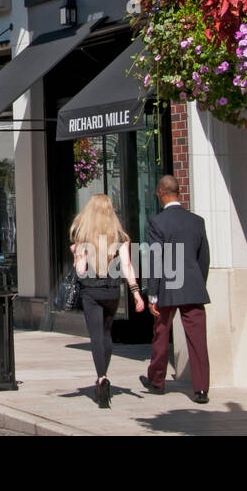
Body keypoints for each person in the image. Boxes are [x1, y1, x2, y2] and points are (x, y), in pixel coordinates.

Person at [140, 174, 212, 403]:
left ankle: (158, 381)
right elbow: (204, 258)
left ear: (161, 193)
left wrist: (152, 293)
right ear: (178, 192)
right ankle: (201, 389)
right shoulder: (197, 221)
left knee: (161, 334)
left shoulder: (157, 223)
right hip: (192, 285)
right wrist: (199, 281)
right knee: (198, 339)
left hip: (167, 286)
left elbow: (155, 260)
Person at [69, 195, 144, 408]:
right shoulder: (119, 236)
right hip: (111, 292)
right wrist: (136, 293)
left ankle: (101, 378)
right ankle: (104, 374)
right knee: (107, 334)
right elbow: (128, 266)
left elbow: (81, 270)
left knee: (96, 336)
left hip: (90, 292)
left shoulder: (82, 235)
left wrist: (77, 254)